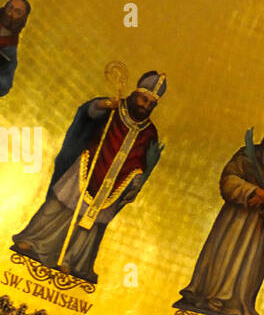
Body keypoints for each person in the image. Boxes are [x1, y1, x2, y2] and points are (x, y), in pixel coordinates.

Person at [12, 71, 165, 285]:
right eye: (144, 99)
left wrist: (137, 179)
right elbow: (88, 114)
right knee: (61, 205)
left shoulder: (149, 132)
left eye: (151, 104)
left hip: (115, 183)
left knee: (91, 225)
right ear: (134, 94)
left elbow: (144, 160)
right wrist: (102, 105)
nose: (145, 106)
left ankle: (72, 263)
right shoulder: (114, 109)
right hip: (88, 166)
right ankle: (35, 241)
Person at [174, 126, 264, 315]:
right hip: (234, 219)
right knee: (221, 256)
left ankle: (236, 305)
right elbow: (229, 178)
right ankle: (204, 295)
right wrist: (251, 192)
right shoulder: (247, 155)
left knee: (249, 265)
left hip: (260, 230)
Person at [0, 0, 31, 96]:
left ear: (23, 19)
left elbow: (4, 86)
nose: (10, 13)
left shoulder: (9, 54)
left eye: (17, 12)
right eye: (10, 8)